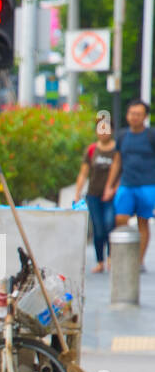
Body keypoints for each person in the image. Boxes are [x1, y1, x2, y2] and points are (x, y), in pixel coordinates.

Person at [102, 98, 155, 270]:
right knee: (120, 218)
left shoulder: (151, 135)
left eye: (138, 114)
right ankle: (124, 255)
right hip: (127, 183)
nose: (135, 117)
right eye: (132, 113)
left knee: (143, 221)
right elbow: (117, 162)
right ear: (127, 115)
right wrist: (110, 186)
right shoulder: (122, 136)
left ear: (145, 116)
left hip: (147, 184)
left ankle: (138, 260)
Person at [74, 113, 117, 274]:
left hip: (111, 195)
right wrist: (77, 193)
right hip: (93, 194)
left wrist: (113, 189)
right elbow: (83, 172)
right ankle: (100, 261)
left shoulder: (117, 149)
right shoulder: (92, 150)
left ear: (111, 130)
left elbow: (121, 171)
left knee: (109, 224)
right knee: (98, 228)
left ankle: (111, 257)